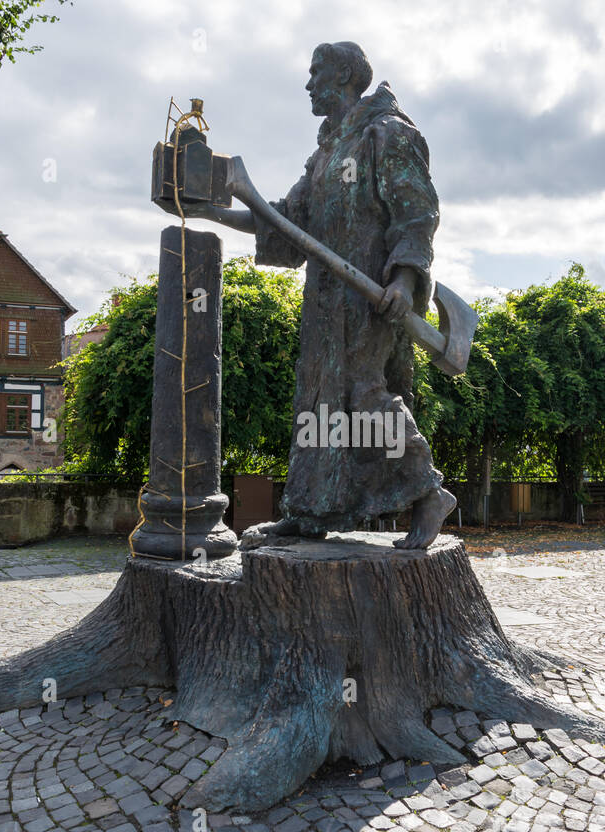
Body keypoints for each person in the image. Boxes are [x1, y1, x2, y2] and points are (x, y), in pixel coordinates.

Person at [186, 41, 455, 549]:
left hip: (371, 298)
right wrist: (211, 212)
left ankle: (427, 493)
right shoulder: (327, 154)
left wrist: (403, 279)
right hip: (326, 301)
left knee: (365, 396)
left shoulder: (388, 134)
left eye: (317, 73)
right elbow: (285, 223)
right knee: (319, 403)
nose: (308, 84)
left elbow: (417, 213)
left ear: (347, 75)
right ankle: (311, 511)